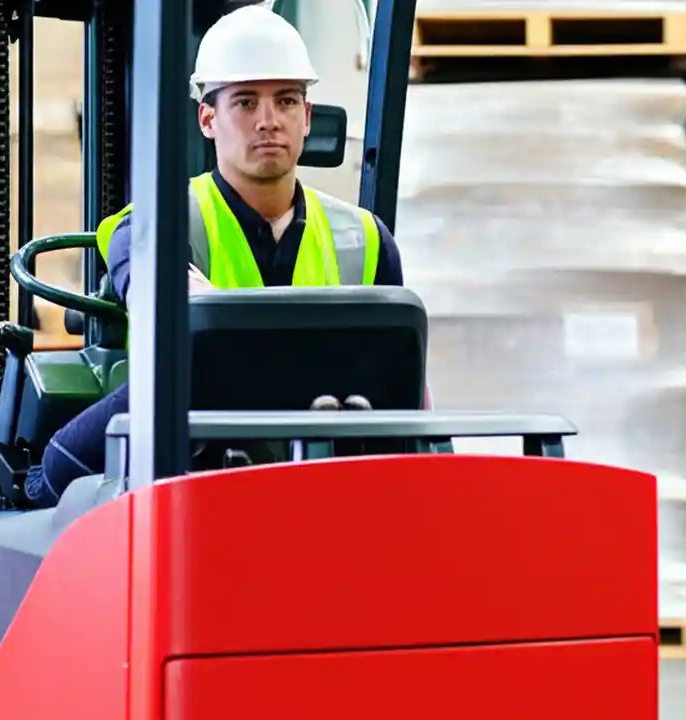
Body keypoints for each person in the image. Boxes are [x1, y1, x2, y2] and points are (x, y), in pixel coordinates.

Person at [22, 2, 404, 507]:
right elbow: (162, 300)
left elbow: (406, 393)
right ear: (207, 118)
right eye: (245, 103)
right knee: (54, 471)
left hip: (323, 490)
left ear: (308, 117)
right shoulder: (155, 226)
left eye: (287, 101)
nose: (269, 121)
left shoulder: (366, 239)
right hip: (191, 482)